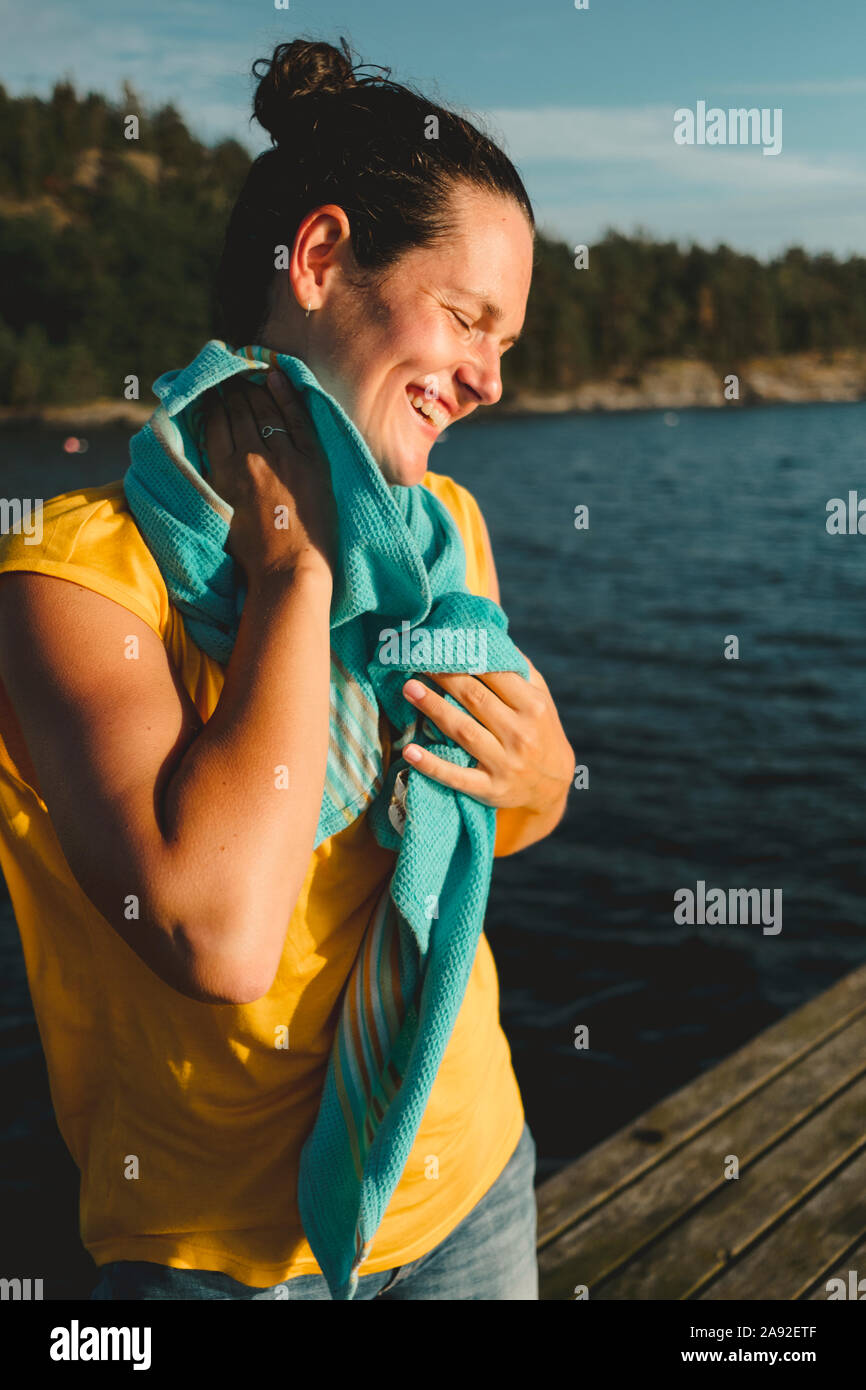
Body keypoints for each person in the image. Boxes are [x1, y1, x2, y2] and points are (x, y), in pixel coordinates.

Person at [0, 37, 574, 1300]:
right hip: (213, 1256)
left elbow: (500, 814)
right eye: (469, 317)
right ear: (317, 261)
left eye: (507, 342)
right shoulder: (70, 580)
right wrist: (292, 580)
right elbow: (216, 932)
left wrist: (547, 774)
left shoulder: (444, 534)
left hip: (466, 1177)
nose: (488, 378)